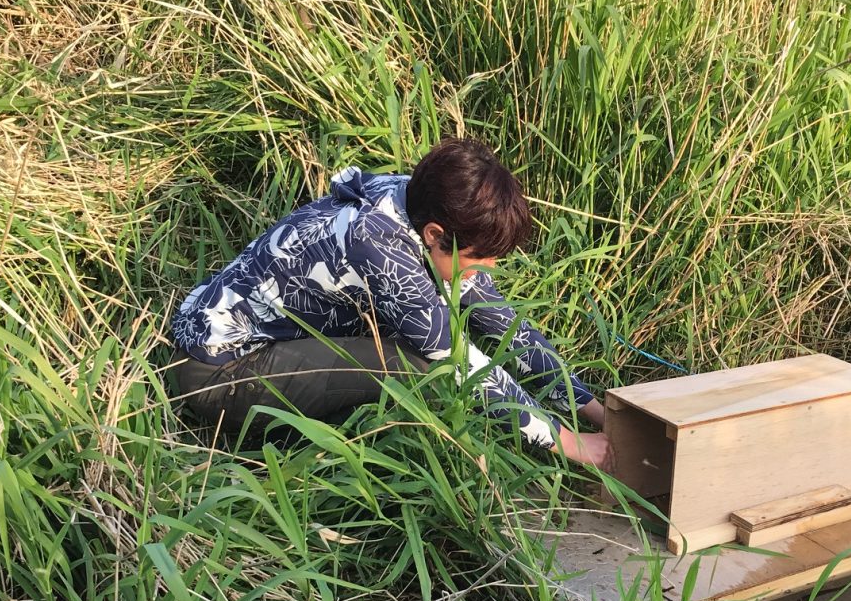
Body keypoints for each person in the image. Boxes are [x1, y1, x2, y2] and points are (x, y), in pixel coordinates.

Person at [166, 138, 614, 468]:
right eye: (481, 258)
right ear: (437, 235)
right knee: (416, 364)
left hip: (252, 344)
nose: (492, 267)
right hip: (218, 375)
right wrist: (571, 444)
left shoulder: (415, 199)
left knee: (420, 333)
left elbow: (496, 320)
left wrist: (594, 409)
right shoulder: (379, 247)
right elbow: (459, 362)